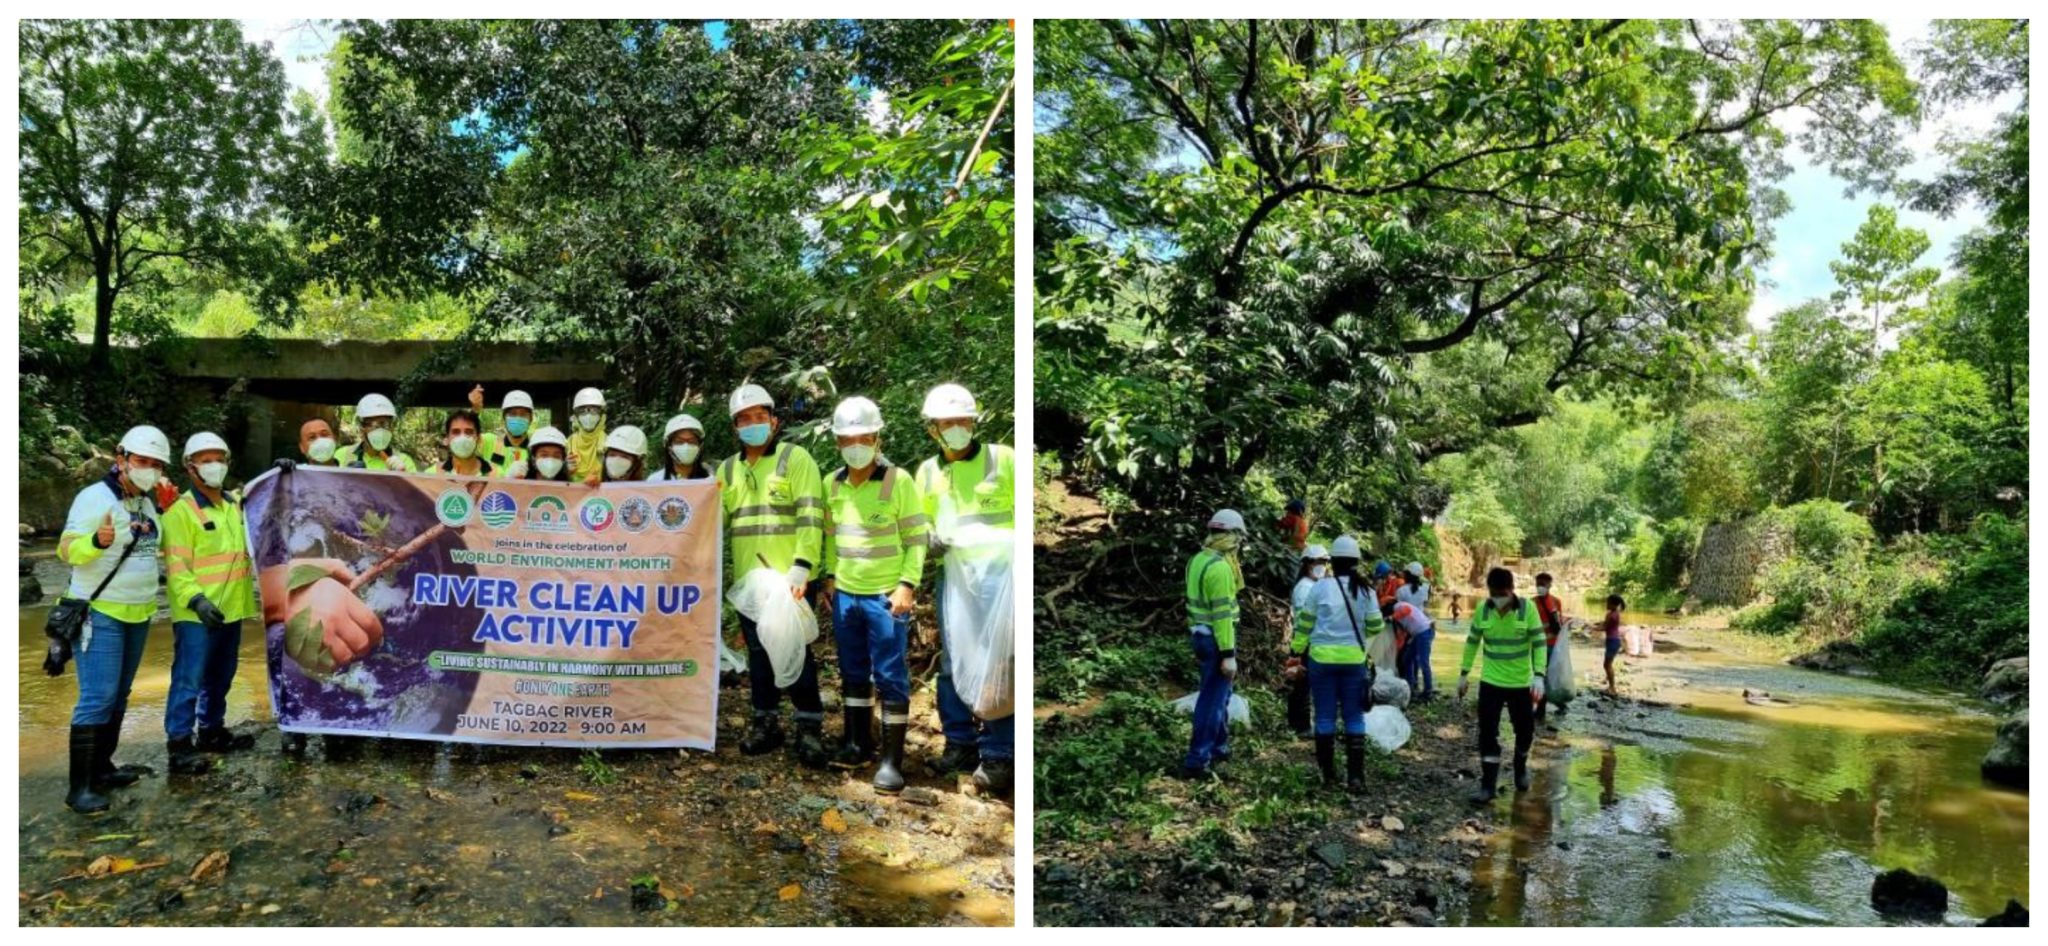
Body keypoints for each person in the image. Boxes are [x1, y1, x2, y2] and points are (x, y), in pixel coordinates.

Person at [57, 425, 172, 812]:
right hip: (100, 612)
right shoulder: (93, 498)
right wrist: (96, 542)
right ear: (121, 459)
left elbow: (156, 545)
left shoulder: (145, 502)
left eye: (157, 464)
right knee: (97, 697)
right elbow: (65, 549)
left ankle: (103, 768)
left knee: (119, 695)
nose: (150, 469)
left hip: (137, 614)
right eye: (143, 461)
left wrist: (169, 510)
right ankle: (81, 788)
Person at [716, 383, 829, 767]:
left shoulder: (795, 459)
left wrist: (803, 566)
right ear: (734, 427)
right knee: (760, 653)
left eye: (759, 417)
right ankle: (765, 721)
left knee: (796, 648)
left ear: (774, 421)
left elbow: (811, 516)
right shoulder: (727, 470)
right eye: (744, 419)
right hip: (751, 583)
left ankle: (809, 725)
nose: (752, 424)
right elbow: (709, 521)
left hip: (791, 578)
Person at [821, 397, 929, 793]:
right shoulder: (831, 482)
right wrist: (830, 576)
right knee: (852, 670)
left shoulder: (897, 480)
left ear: (877, 437)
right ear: (837, 441)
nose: (856, 444)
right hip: (847, 594)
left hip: (885, 596)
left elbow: (916, 538)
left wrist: (907, 584)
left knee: (889, 674)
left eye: (863, 437)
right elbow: (830, 536)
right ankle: (856, 743)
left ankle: (891, 761)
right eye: (848, 438)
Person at [914, 383, 1015, 792]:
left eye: (963, 421)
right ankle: (959, 743)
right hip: (956, 579)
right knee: (955, 659)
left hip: (1001, 580)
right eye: (947, 423)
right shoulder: (927, 472)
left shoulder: (1002, 459)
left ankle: (999, 754)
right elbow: (917, 520)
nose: (956, 428)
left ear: (975, 422)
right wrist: (927, 537)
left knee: (999, 664)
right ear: (933, 430)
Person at [161, 432, 259, 776]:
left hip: (231, 608)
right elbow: (176, 568)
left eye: (219, 458)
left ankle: (212, 731)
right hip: (196, 614)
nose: (214, 466)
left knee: (222, 675)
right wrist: (197, 600)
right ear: (190, 468)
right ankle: (178, 745)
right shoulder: (180, 513)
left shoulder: (234, 505)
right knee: (189, 678)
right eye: (205, 460)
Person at [1457, 567, 1548, 803]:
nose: (1498, 598)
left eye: (1502, 593)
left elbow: (1539, 644)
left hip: (1521, 683)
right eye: (1494, 593)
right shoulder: (1483, 611)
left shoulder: (1527, 609)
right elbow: (1472, 642)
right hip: (1491, 682)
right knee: (1487, 733)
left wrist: (1539, 675)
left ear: (1512, 590)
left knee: (1525, 731)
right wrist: (1464, 674)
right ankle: (1488, 785)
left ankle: (1520, 767)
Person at [1296, 535, 1381, 791]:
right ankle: (1356, 778)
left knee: (1324, 717)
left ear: (1333, 561)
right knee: (1354, 717)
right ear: (1356, 562)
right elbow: (1376, 625)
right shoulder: (1366, 590)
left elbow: (1305, 625)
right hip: (1354, 660)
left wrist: (1295, 651)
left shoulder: (1320, 587)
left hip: (1320, 661)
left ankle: (1329, 777)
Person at [1179, 508, 1246, 779]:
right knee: (1212, 700)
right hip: (1216, 640)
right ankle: (1197, 759)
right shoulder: (1219, 568)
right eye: (1238, 537)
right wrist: (1228, 655)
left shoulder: (1198, 559)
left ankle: (1219, 747)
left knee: (1221, 695)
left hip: (1200, 635)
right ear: (1231, 536)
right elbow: (1222, 618)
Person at [1285, 544, 1331, 738]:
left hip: (1309, 640)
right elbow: (1306, 620)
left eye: (1324, 562)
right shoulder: (1305, 588)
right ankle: (1302, 725)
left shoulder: (1313, 586)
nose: (1322, 566)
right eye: (1317, 562)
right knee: (1303, 684)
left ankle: (1297, 723)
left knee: (1303, 683)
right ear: (1307, 564)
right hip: (1305, 641)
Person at [335, 393, 418, 471]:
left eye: (386, 425)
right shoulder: (342, 455)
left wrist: (403, 476)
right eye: (375, 426)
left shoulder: (404, 461)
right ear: (362, 428)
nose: (381, 431)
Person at [472, 386, 537, 478]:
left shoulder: (536, 450)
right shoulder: (489, 441)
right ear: (504, 418)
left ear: (530, 419)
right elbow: (468, 438)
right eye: (513, 414)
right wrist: (474, 412)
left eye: (523, 414)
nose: (518, 418)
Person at [1394, 562, 1434, 700]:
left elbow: (1399, 611)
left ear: (1407, 575)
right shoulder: (1425, 588)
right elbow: (1425, 605)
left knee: (1411, 659)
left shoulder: (1401, 591)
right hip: (1421, 623)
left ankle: (1418, 686)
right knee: (1418, 659)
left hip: (1411, 627)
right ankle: (1416, 685)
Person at [1531, 572, 1566, 726]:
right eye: (1538, 584)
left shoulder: (1557, 602)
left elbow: (1560, 623)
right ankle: (1539, 710)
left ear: (1550, 585)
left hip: (1551, 646)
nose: (1541, 587)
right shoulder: (1530, 603)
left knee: (1547, 677)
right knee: (1538, 677)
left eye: (1543, 584)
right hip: (1536, 646)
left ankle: (1543, 710)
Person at [1389, 601, 1436, 702]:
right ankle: (1410, 686)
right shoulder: (1399, 609)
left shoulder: (1398, 606)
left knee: (1424, 663)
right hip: (1419, 634)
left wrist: (1392, 617)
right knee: (1407, 659)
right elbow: (1403, 633)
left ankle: (1428, 691)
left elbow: (1407, 610)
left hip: (1424, 632)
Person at [432, 409, 497, 477]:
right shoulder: (431, 474)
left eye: (468, 432)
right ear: (447, 439)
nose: (462, 438)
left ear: (479, 439)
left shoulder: (498, 475)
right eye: (456, 432)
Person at [649, 414, 712, 481]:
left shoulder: (710, 480)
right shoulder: (656, 481)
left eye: (691, 441)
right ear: (668, 446)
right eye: (679, 442)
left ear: (700, 446)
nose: (686, 446)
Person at [566, 387, 607, 481]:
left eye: (594, 410)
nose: (588, 416)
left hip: (601, 494)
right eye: (582, 411)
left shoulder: (609, 443)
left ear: (602, 415)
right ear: (576, 415)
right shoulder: (569, 443)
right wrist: (566, 470)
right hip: (573, 493)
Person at [1601, 594, 1626, 696]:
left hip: (1612, 641)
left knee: (1607, 665)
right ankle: (1611, 687)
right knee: (1607, 665)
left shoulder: (1611, 615)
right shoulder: (1615, 613)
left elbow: (1604, 627)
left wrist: (1591, 627)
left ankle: (1612, 688)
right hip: (1613, 641)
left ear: (1613, 604)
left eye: (1608, 602)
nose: (1606, 604)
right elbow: (1605, 624)